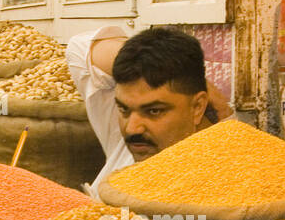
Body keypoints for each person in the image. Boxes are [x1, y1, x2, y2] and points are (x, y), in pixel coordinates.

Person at [66, 25, 232, 192]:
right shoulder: (131, 146)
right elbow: (78, 47)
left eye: (154, 111)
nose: (131, 128)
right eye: (124, 110)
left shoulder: (226, 171)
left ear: (197, 107)